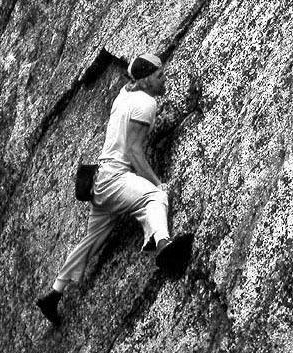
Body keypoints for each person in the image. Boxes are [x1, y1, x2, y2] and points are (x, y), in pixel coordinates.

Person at [36, 53, 188, 326]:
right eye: (159, 76)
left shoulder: (126, 93)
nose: (164, 79)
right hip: (115, 178)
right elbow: (134, 152)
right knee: (154, 197)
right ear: (145, 80)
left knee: (91, 240)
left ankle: (53, 295)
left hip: (100, 182)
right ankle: (164, 244)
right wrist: (157, 182)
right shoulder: (146, 102)